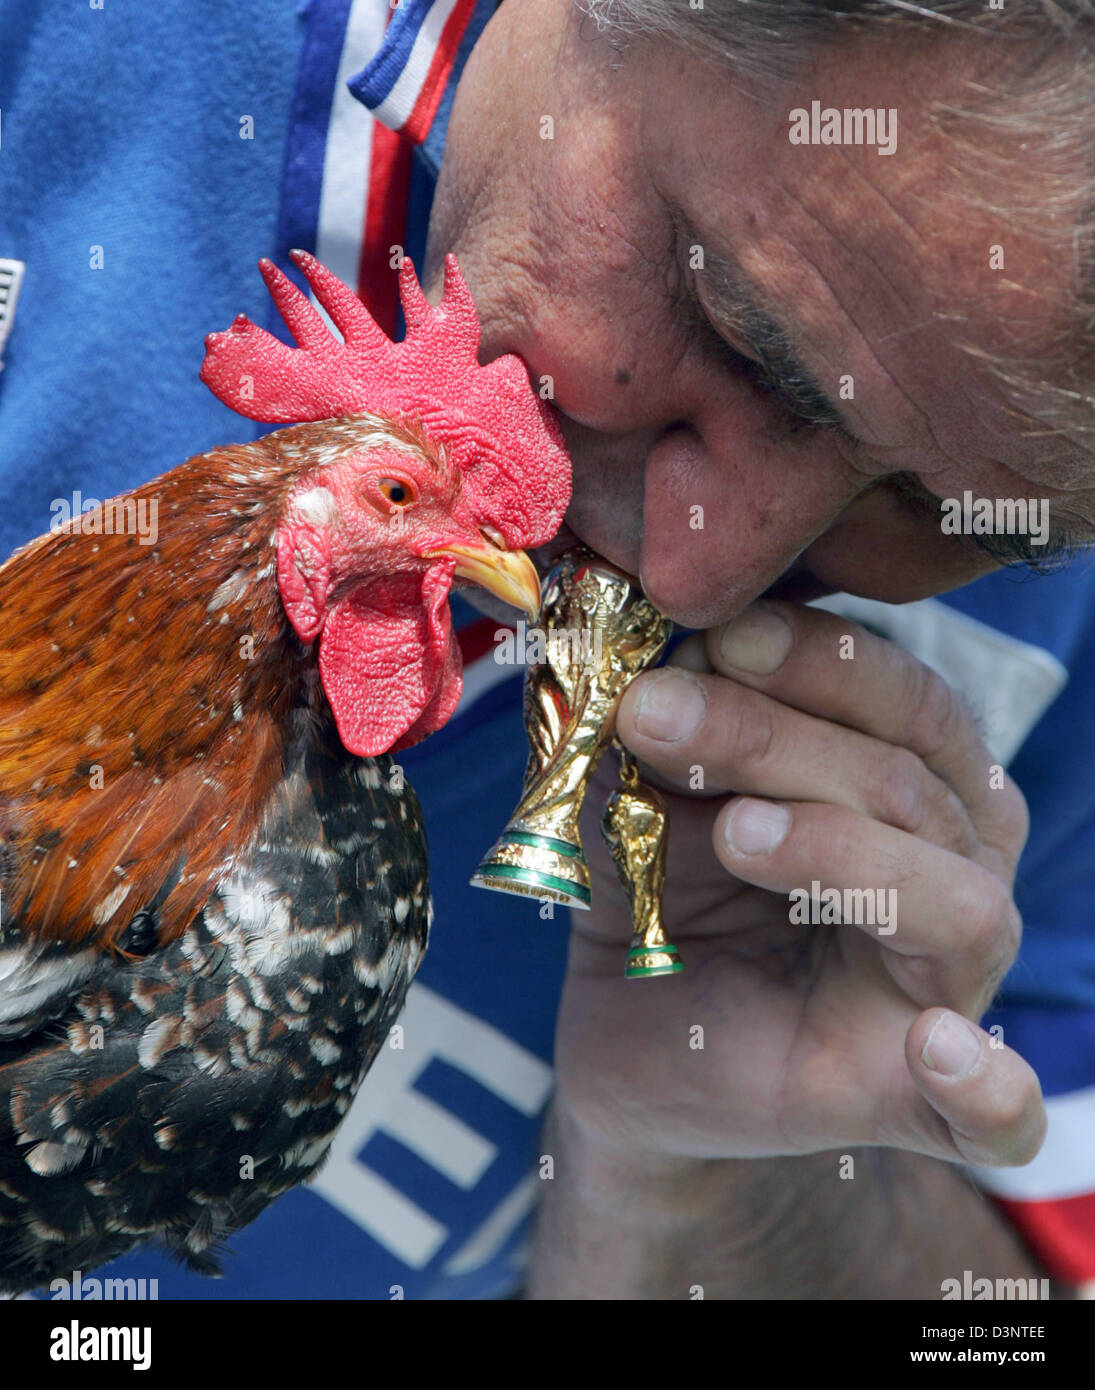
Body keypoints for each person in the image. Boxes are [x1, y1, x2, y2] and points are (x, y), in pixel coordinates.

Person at [1, 0, 1092, 1299]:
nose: (701, 570)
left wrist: (695, 1186)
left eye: (929, 512)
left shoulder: (1029, 678)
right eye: (739, 334)